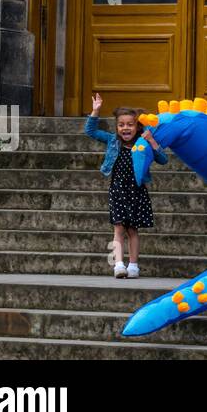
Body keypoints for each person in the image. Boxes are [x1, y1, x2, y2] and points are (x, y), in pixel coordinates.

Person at [85, 93, 167, 279]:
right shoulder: (113, 141)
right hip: (118, 190)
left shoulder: (143, 143)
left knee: (132, 230)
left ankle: (134, 266)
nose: (125, 128)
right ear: (116, 127)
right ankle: (119, 265)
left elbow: (163, 159)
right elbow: (90, 131)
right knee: (119, 227)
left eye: (130, 124)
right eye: (121, 125)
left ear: (138, 126)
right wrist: (96, 111)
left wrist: (152, 142)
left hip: (137, 191)